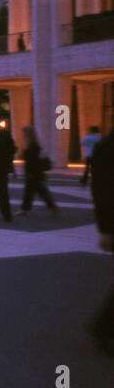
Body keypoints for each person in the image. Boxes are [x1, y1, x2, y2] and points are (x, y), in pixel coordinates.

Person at [86, 125, 114, 356]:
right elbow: (102, 191)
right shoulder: (106, 147)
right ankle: (101, 327)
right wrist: (105, 229)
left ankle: (102, 327)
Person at [16, 125, 59, 217]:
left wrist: (30, 173)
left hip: (33, 174)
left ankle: (25, 209)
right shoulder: (32, 145)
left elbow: (33, 162)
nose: (23, 136)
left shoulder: (33, 146)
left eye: (25, 134)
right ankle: (52, 208)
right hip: (34, 173)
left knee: (33, 192)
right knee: (38, 192)